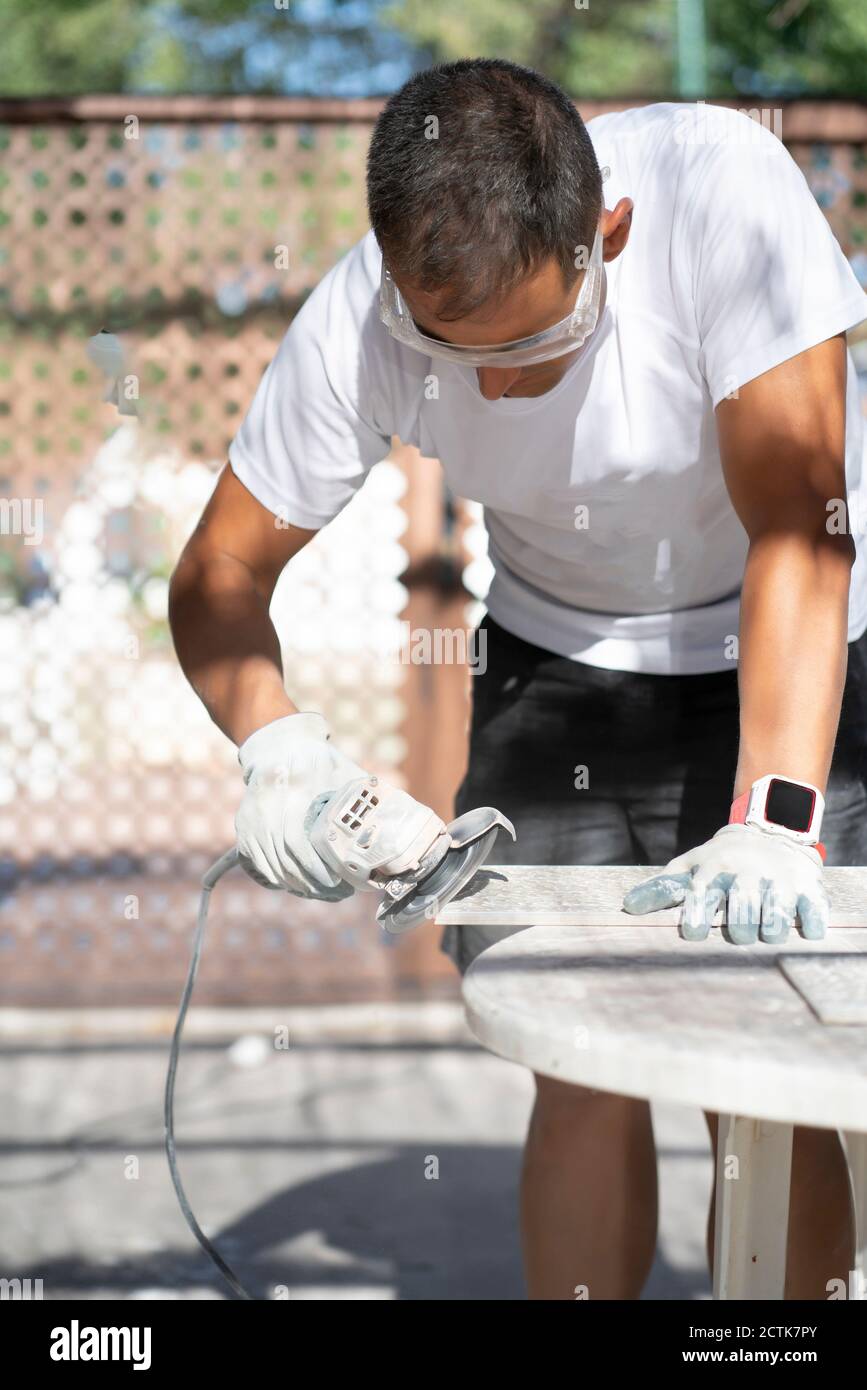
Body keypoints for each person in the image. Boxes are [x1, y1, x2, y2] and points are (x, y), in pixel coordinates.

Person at [169, 58, 867, 1299]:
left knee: (757, 1077)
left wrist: (775, 821)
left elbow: (800, 534)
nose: (493, 386)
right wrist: (279, 747)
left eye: (536, 343)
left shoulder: (721, 194)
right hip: (558, 653)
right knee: (580, 1054)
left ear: (612, 235)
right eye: (457, 350)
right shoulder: (362, 324)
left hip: (789, 637)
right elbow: (217, 574)